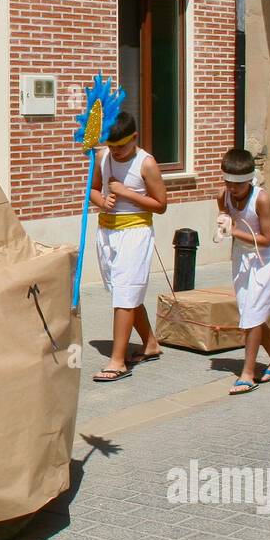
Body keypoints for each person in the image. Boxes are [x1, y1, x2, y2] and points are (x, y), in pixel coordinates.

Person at [90, 112, 167, 382]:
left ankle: (118, 361)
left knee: (124, 293)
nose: (116, 152)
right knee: (125, 290)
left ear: (134, 138)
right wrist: (100, 201)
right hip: (107, 232)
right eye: (112, 147)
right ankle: (150, 344)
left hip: (135, 232)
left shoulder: (146, 164)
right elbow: (93, 188)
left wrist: (127, 193)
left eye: (121, 146)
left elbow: (161, 205)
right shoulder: (102, 157)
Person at [215, 149, 270, 395]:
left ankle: (247, 373)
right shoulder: (223, 196)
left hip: (266, 256)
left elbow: (266, 239)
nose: (232, 188)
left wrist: (233, 231)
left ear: (250, 179)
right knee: (249, 311)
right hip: (242, 255)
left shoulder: (261, 199)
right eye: (227, 182)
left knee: (253, 313)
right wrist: (223, 225)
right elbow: (227, 218)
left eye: (237, 184)